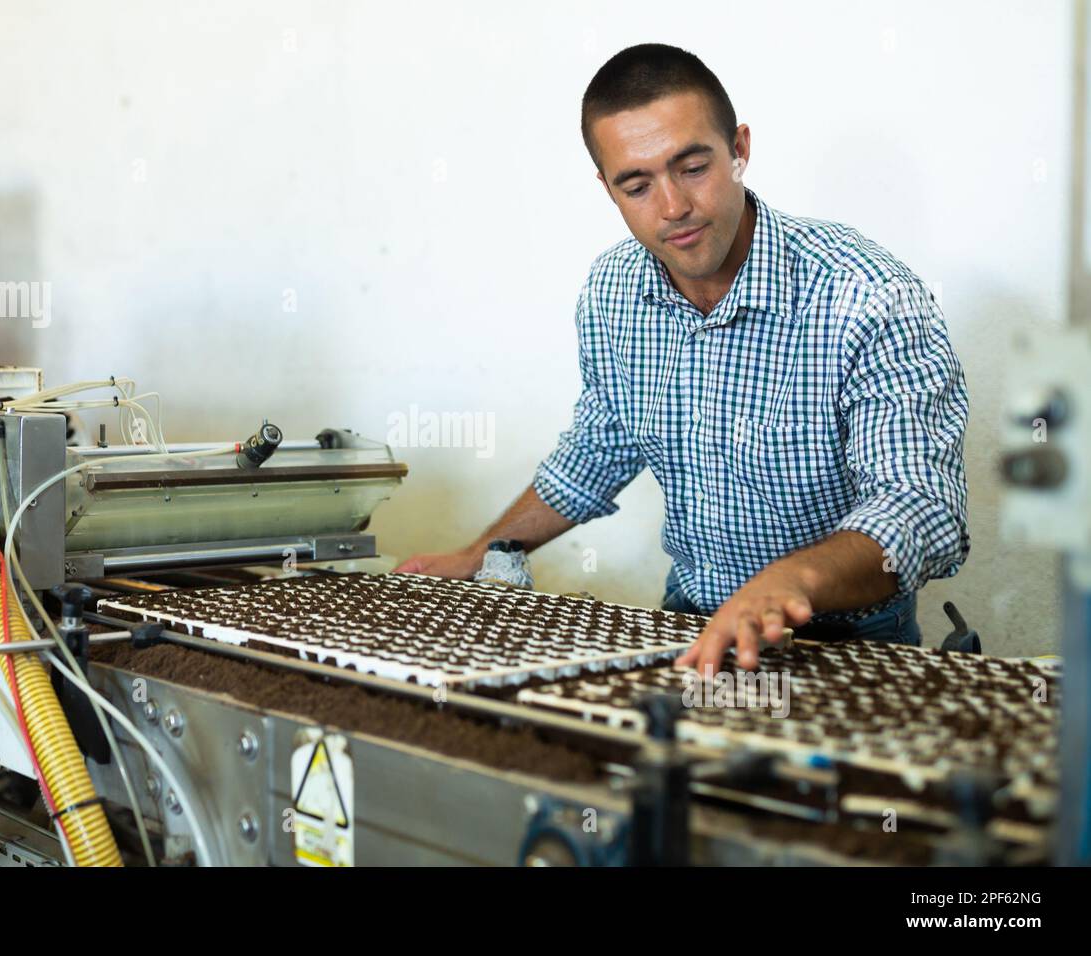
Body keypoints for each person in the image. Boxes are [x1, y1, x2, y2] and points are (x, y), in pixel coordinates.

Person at [396, 43, 969, 675]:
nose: (672, 208)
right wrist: (482, 552)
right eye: (637, 185)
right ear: (607, 188)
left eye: (692, 167)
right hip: (688, 624)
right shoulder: (614, 291)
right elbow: (597, 448)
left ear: (740, 149)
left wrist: (789, 583)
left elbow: (921, 508)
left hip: (853, 645)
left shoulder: (868, 296)